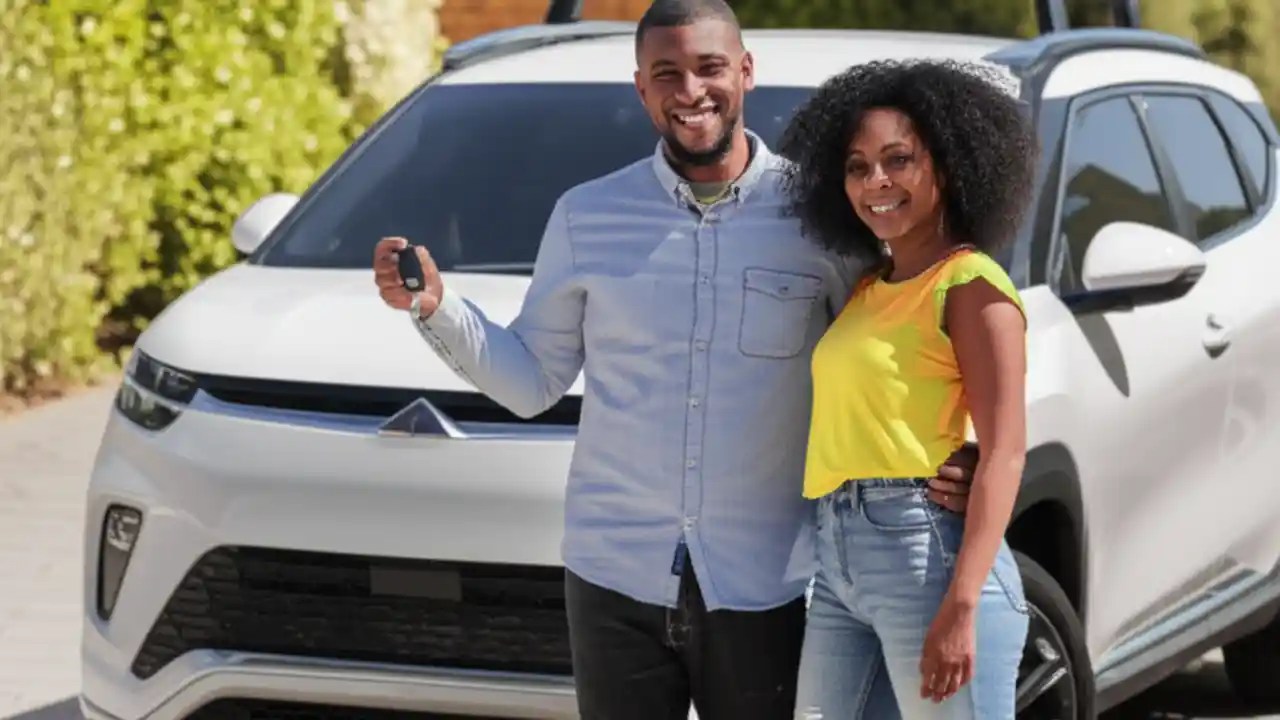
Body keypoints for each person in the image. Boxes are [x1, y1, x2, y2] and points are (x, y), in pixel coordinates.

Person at [373, 2, 977, 718]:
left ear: (746, 72)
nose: (691, 91)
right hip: (612, 578)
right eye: (667, 73)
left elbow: (892, 352)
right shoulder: (584, 216)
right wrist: (437, 307)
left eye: (710, 67)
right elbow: (534, 382)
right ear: (641, 88)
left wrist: (958, 449)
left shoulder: (823, 218)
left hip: (769, 578)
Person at [778, 58, 1038, 719]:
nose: (877, 182)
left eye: (899, 160)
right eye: (858, 167)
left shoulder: (972, 287)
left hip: (929, 559)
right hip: (839, 558)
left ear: (948, 167)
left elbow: (1006, 450)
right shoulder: (869, 288)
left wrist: (963, 604)